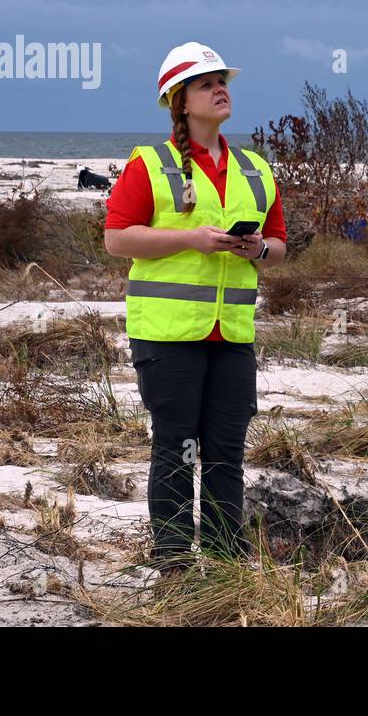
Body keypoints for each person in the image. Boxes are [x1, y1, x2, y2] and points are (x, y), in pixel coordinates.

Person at [103, 42, 286, 576]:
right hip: (167, 334)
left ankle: (228, 564)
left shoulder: (255, 169)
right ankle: (175, 565)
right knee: (177, 449)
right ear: (179, 101)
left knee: (227, 452)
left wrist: (256, 250)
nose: (220, 89)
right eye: (206, 83)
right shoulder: (150, 164)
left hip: (231, 336)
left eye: (222, 80)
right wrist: (192, 240)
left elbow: (278, 244)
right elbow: (118, 239)